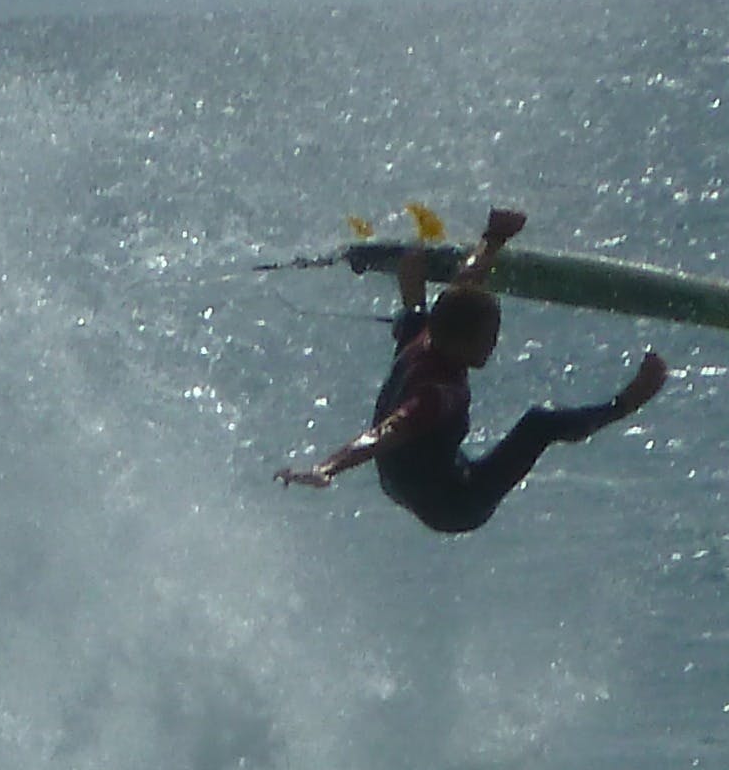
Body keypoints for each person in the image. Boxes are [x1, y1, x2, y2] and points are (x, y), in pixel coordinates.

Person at [277, 206, 666, 536]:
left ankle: (409, 275)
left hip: (406, 476)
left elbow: (466, 281)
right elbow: (384, 432)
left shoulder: (430, 337)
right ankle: (625, 403)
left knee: (415, 321)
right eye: (488, 339)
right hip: (454, 505)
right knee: (539, 424)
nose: (493, 346)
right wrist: (326, 467)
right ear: (464, 343)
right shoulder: (437, 395)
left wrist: (493, 238)